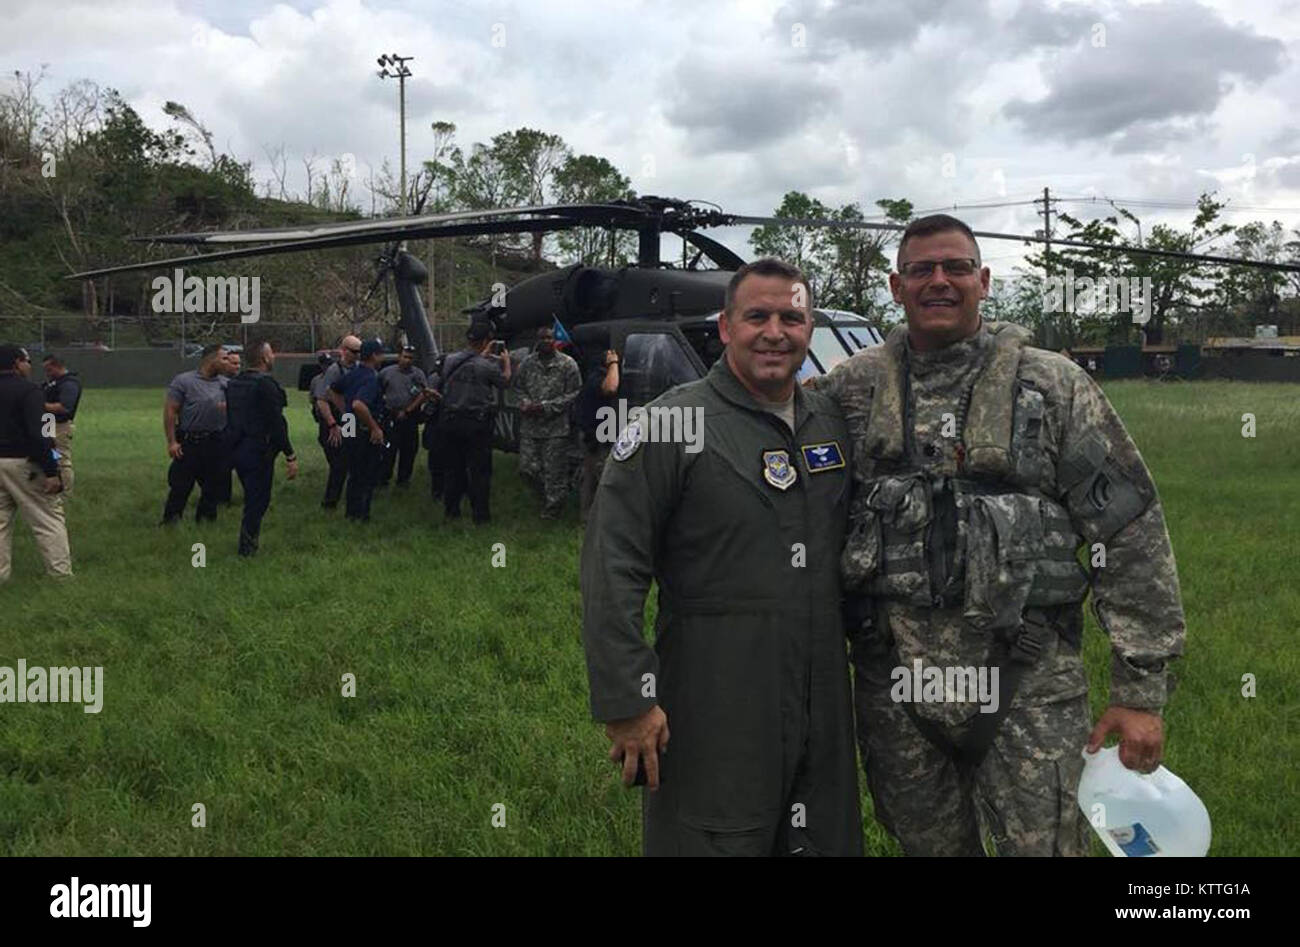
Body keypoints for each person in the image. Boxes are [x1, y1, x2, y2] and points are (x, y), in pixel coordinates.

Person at [809, 214, 1186, 856]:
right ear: (896, 288)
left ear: (984, 281)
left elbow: (1129, 532)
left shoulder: (1053, 385)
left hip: (1028, 682)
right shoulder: (851, 389)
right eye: (921, 269)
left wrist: (1141, 691)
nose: (939, 281)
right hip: (896, 689)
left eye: (956, 268)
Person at [580, 258, 861, 857]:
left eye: (792, 317)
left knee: (822, 837)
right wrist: (628, 699)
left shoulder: (831, 424)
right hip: (715, 690)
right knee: (714, 833)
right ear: (725, 327)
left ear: (809, 329)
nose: (775, 331)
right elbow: (612, 566)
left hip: (823, 691)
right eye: (756, 316)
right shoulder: (667, 425)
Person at [0, 344, 71, 582]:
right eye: (27, 361)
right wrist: (52, 470)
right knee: (48, 519)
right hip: (24, 464)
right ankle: (60, 576)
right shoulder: (29, 391)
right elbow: (40, 435)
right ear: (17, 363)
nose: (29, 366)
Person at [225, 341, 298, 556]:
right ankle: (247, 549)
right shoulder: (266, 384)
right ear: (265, 358)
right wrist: (290, 454)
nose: (274, 357)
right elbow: (276, 422)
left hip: (237, 447)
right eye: (271, 353)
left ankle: (248, 543)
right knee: (258, 500)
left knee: (251, 496)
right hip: (258, 449)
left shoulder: (235, 383)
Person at [435, 322, 510, 524]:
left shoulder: (450, 360)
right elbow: (505, 382)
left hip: (450, 421)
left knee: (453, 468)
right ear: (487, 341)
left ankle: (451, 511)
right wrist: (506, 362)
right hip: (476, 424)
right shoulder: (488, 366)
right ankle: (480, 515)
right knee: (480, 471)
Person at [515, 325, 581, 518]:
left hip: (556, 428)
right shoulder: (527, 364)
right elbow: (517, 388)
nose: (545, 341)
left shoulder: (568, 364)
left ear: (555, 341)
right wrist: (526, 403)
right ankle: (547, 494)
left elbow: (574, 393)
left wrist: (545, 407)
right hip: (530, 427)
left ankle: (553, 510)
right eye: (542, 338)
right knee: (527, 469)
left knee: (555, 471)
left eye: (549, 338)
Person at [161, 344, 228, 524]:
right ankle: (171, 521)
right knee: (180, 485)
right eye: (224, 358)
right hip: (190, 442)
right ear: (211, 359)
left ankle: (206, 521)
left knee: (213, 486)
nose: (227, 362)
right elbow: (170, 412)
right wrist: (172, 442)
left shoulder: (225, 384)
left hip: (215, 442)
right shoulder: (184, 381)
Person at [334, 338, 387, 522]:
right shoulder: (371, 378)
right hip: (363, 429)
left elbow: (332, 390)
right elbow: (359, 404)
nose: (383, 357)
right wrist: (374, 427)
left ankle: (351, 513)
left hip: (349, 424)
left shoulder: (353, 373)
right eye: (381, 353)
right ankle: (362, 515)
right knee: (367, 473)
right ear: (374, 356)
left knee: (353, 472)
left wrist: (344, 410)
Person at [313, 335, 361, 509]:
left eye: (359, 352)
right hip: (336, 420)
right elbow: (321, 399)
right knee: (339, 463)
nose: (357, 355)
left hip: (351, 418)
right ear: (344, 351)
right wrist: (332, 424)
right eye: (354, 352)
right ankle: (330, 502)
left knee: (351, 460)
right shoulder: (334, 371)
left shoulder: (358, 369)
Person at [575, 347, 620, 524]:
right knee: (602, 479)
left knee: (590, 478)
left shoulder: (593, 375)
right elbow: (610, 388)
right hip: (595, 437)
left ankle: (588, 518)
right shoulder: (596, 377)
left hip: (595, 435)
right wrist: (614, 363)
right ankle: (602, 521)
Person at [378, 345, 431, 488]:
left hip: (410, 417)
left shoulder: (418, 374)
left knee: (409, 450)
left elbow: (423, 394)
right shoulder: (386, 373)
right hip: (391, 416)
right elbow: (378, 393)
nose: (407, 360)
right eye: (405, 356)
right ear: (399, 357)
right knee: (388, 449)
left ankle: (403, 480)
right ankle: (383, 479)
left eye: (410, 358)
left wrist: (408, 410)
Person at [41, 354, 81, 497]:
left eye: (49, 369)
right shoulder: (53, 383)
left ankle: (66, 492)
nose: (47, 373)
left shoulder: (69, 383)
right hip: (48, 422)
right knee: (47, 454)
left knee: (61, 458)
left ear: (58, 366)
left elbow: (64, 407)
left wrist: (41, 405)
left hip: (60, 425)